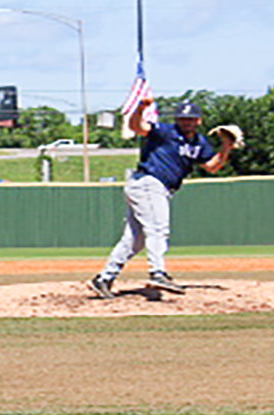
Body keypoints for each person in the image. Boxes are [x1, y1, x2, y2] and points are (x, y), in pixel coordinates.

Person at [88, 99, 234, 298]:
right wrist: (140, 108)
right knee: (158, 228)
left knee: (135, 239)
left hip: (158, 188)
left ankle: (104, 278)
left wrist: (226, 146)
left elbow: (212, 166)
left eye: (190, 119)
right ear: (177, 119)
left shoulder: (200, 143)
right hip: (149, 182)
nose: (186, 122)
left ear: (198, 121)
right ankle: (157, 273)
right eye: (183, 118)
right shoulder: (165, 132)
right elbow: (136, 126)